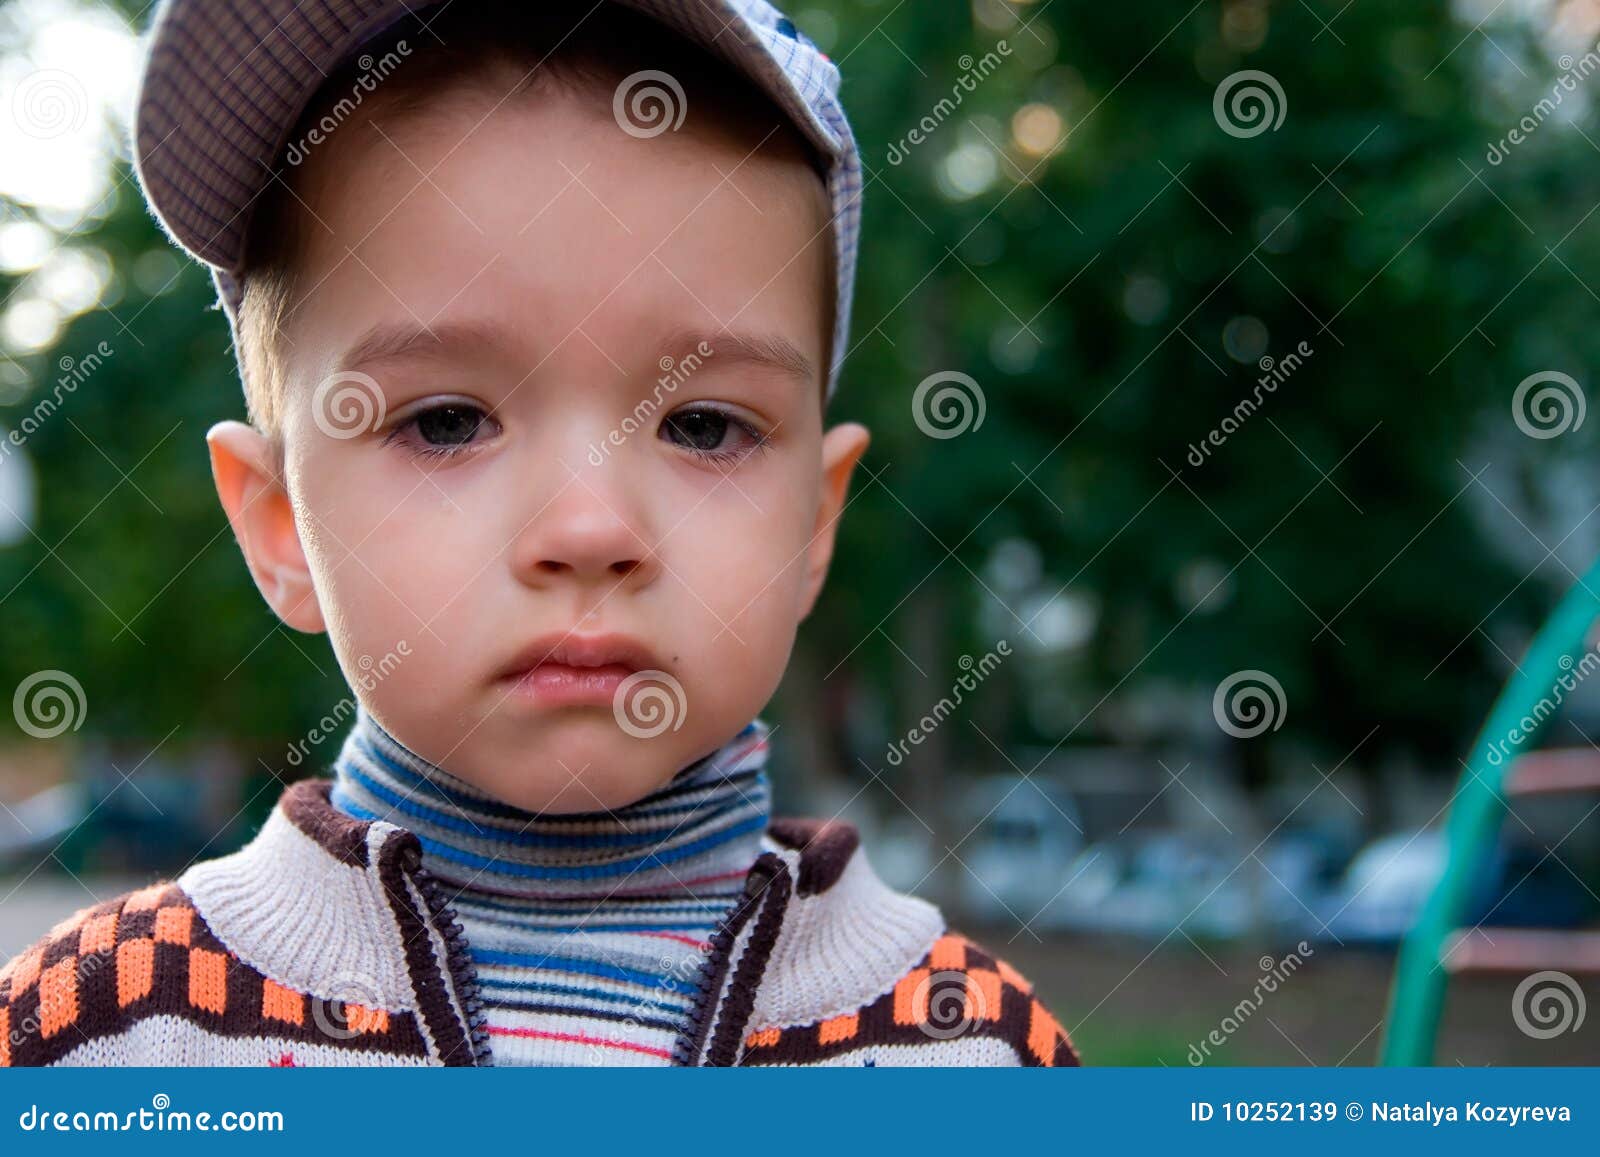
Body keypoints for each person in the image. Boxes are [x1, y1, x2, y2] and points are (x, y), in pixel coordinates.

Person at [0, 0, 1079, 1067]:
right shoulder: (105, 1030)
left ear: (814, 521)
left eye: (703, 425)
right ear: (281, 523)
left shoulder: (969, 1046)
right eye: (446, 421)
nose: (590, 528)